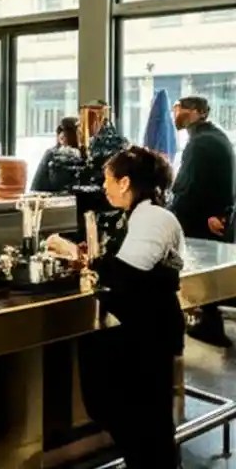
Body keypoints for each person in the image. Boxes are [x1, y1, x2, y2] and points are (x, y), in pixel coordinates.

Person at [47, 147, 184, 468]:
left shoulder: (153, 217)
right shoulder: (136, 215)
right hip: (140, 333)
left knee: (146, 433)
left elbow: (127, 275)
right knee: (142, 431)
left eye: (107, 179)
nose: (103, 186)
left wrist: (80, 257)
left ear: (124, 182)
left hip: (146, 338)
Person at [168, 96, 235, 347]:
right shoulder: (215, 137)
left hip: (199, 220)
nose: (175, 114)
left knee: (196, 271)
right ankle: (208, 321)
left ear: (196, 112)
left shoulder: (199, 143)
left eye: (179, 109)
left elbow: (186, 187)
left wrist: (169, 215)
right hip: (215, 218)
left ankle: (208, 325)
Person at [31, 117, 81, 193]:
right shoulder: (51, 154)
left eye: (66, 131)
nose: (62, 135)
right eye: (60, 131)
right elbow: (36, 186)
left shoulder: (83, 155)